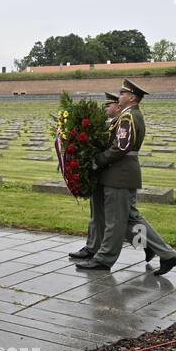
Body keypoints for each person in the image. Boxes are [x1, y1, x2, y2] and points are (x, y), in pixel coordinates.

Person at [76, 79, 176, 275]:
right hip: (118, 173)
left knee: (116, 221)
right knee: (131, 218)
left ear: (132, 97)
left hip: (120, 174)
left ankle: (104, 259)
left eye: (122, 94)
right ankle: (166, 254)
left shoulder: (128, 117)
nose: (119, 96)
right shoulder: (127, 115)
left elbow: (121, 147)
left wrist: (98, 160)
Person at [68, 92, 119, 262]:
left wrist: (96, 160)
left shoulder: (120, 123)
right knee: (97, 214)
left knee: (126, 217)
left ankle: (151, 246)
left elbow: (115, 149)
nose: (105, 108)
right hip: (100, 174)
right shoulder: (105, 124)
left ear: (118, 107)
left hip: (112, 174)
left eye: (109, 105)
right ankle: (92, 247)